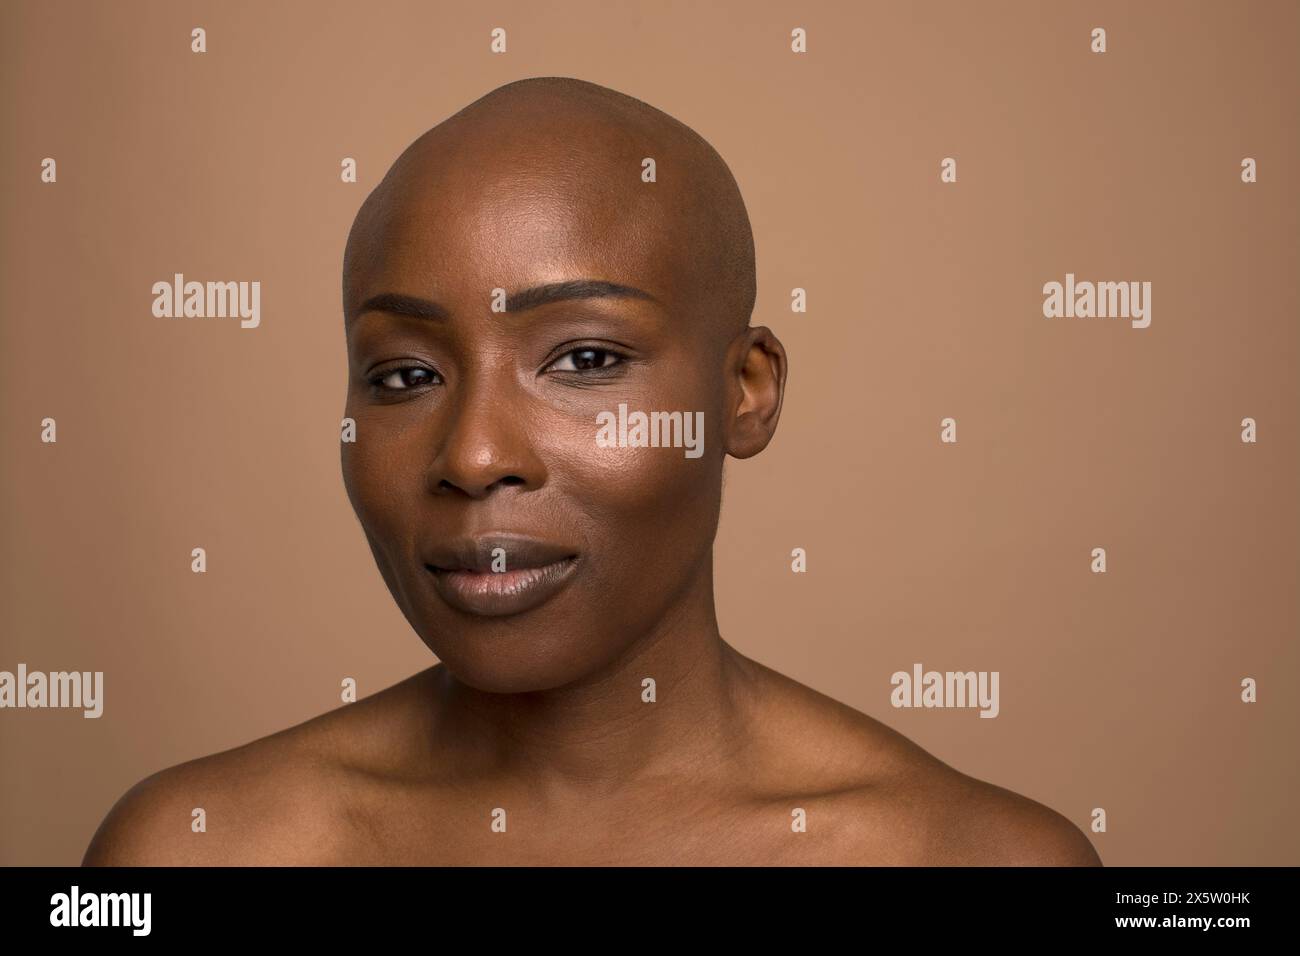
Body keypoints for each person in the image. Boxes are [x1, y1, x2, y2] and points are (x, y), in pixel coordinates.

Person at [84, 76, 1100, 866]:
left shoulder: (977, 860)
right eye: (404, 373)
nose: (475, 453)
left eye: (584, 360)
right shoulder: (191, 850)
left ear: (743, 390)